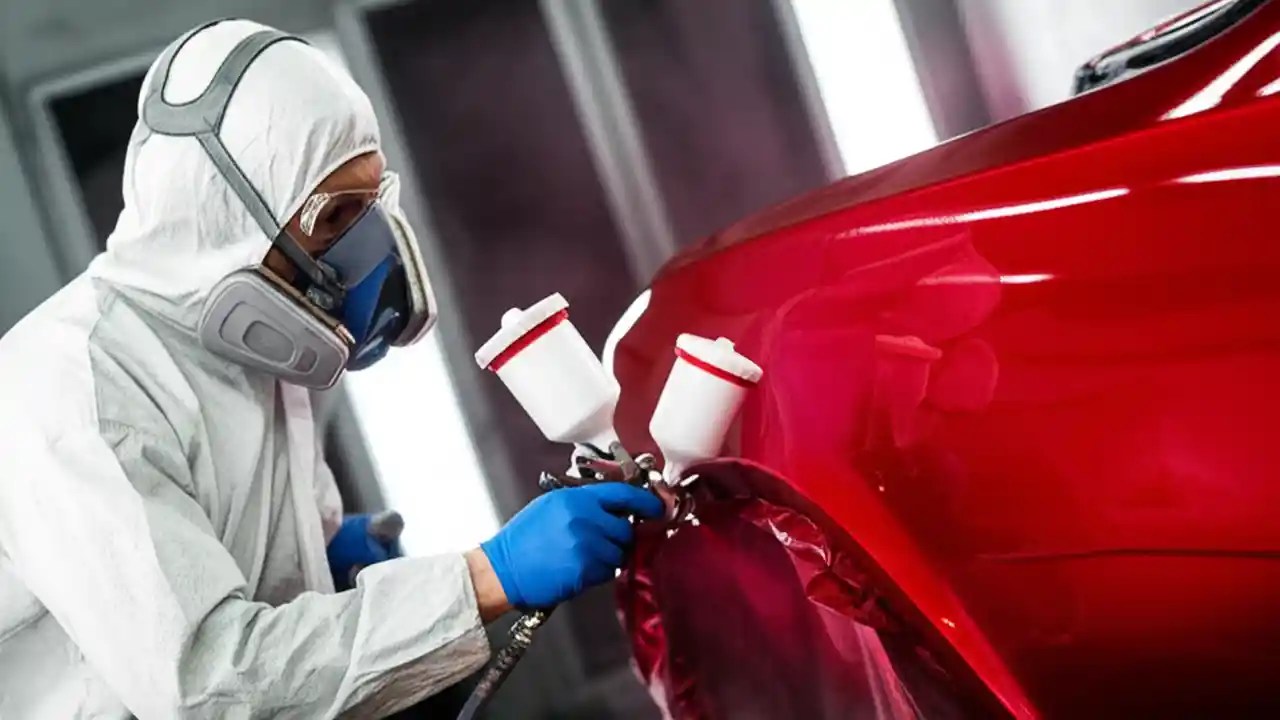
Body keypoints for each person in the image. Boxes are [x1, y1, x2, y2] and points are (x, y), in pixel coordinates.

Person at [0, 18, 661, 719]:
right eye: (337, 215)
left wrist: (319, 555)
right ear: (230, 219)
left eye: (373, 205)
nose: (367, 250)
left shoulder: (262, 346)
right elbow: (206, 685)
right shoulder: (71, 390)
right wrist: (483, 579)